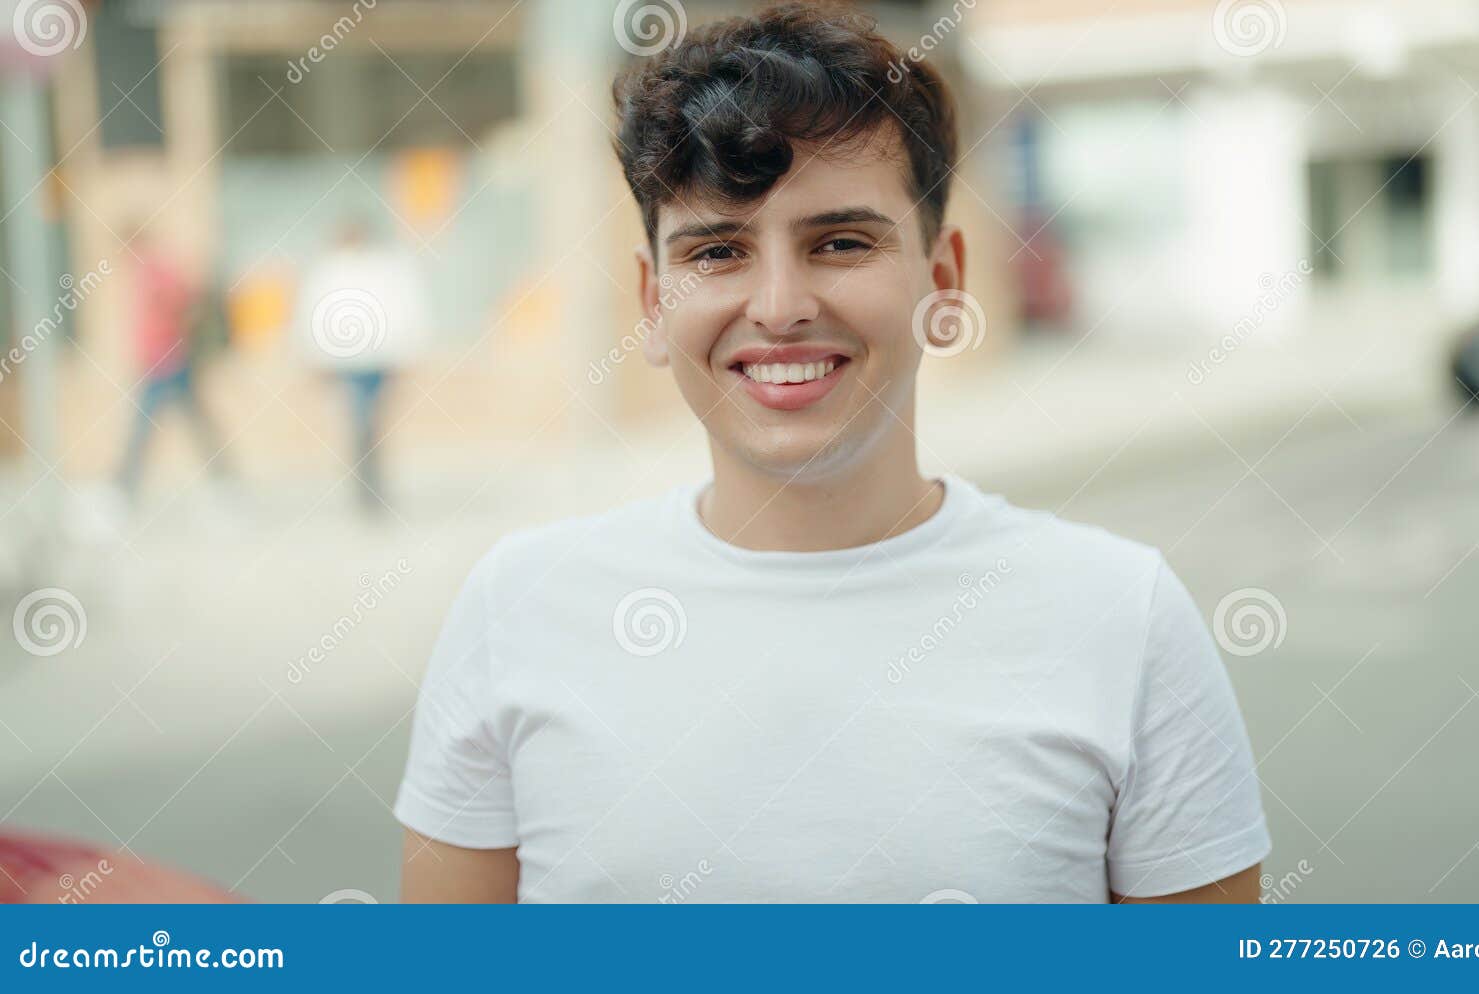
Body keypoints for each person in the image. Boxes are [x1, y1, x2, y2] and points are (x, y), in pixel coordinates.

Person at [394, 2, 1270, 903]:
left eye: (841, 242)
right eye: (719, 250)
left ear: (945, 280)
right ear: (653, 306)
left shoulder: (1122, 620)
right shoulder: (519, 611)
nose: (779, 305)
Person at [295, 220, 428, 515]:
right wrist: (314, 355)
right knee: (360, 422)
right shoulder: (329, 269)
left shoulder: (385, 266)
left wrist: (406, 351)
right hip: (345, 362)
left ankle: (371, 484)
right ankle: (366, 487)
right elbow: (313, 312)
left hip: (380, 358)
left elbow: (401, 308)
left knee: (370, 424)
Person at [115, 232, 230, 503]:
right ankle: (225, 478)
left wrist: (172, 336)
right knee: (194, 422)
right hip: (164, 360)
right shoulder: (147, 271)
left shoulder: (155, 271)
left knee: (143, 427)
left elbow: (183, 303)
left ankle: (122, 487)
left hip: (166, 361)